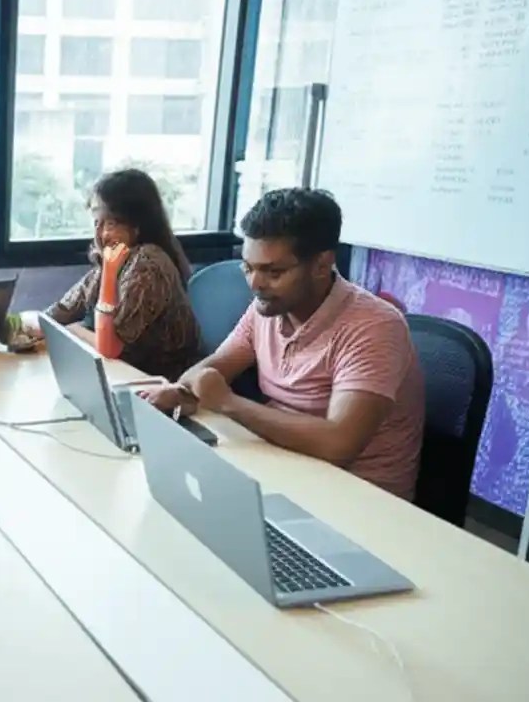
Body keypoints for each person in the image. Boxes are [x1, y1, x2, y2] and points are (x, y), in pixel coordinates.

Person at [142, 188, 425, 500]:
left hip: (358, 498)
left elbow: (338, 444)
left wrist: (228, 403)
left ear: (321, 265)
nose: (255, 283)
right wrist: (180, 392)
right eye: (248, 267)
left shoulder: (373, 327)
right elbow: (210, 370)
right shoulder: (269, 307)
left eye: (273, 272)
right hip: (285, 467)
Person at [40, 169, 201, 380]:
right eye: (96, 222)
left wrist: (72, 330)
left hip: (157, 391)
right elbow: (55, 316)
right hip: (118, 379)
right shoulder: (111, 264)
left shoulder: (149, 264)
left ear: (137, 225)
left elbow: (108, 347)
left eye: (110, 223)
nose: (100, 234)